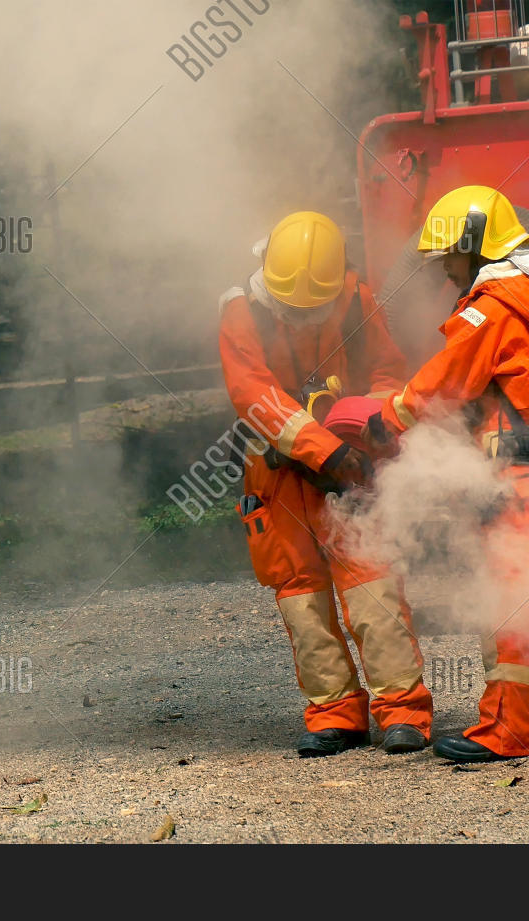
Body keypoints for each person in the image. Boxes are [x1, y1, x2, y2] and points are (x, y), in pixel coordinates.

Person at [366, 185, 529, 762]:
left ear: (472, 245)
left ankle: (510, 729)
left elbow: (444, 384)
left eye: (448, 255)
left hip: (518, 473)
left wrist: (387, 417)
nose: (444, 269)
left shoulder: (489, 308)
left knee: (514, 601)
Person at [219, 210, 433, 757]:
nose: (304, 317)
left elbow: (387, 370)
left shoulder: (358, 300)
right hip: (281, 474)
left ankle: (403, 712)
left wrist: (367, 424)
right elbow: (255, 396)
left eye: (315, 308)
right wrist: (324, 449)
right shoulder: (240, 313)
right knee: (301, 596)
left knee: (373, 587)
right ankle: (334, 711)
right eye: (294, 309)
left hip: (351, 464)